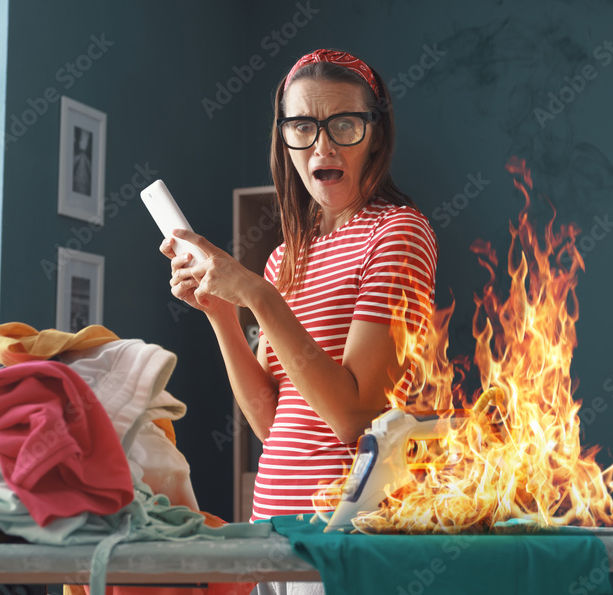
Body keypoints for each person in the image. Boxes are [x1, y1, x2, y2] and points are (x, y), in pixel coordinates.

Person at [161, 49, 438, 527]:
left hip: (346, 530)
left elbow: (354, 419)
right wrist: (221, 313)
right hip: (271, 525)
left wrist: (257, 296)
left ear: (375, 136)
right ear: (284, 138)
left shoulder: (398, 233)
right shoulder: (283, 258)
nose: (323, 147)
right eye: (303, 127)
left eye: (345, 125)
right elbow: (273, 422)